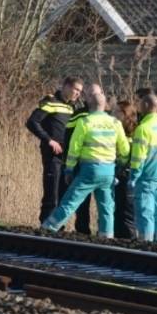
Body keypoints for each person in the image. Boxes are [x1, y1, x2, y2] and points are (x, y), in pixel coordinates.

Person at [41, 84, 129, 238]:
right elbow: (125, 150)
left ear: (89, 104)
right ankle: (106, 238)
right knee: (106, 207)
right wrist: (119, 166)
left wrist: (69, 169)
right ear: (104, 105)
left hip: (89, 170)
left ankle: (47, 229)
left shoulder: (85, 122)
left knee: (70, 202)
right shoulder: (115, 123)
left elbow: (74, 149)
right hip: (108, 171)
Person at [26, 77, 85, 227]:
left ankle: (58, 227)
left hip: (67, 156)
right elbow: (32, 122)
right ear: (65, 86)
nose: (77, 94)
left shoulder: (73, 107)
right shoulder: (51, 102)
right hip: (52, 154)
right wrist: (49, 140)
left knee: (63, 193)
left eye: (80, 91)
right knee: (52, 192)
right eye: (75, 89)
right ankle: (45, 225)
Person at [128, 93, 157, 242]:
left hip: (146, 177)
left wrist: (133, 177)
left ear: (146, 106)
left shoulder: (143, 129)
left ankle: (145, 243)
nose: (138, 106)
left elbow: (138, 157)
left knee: (145, 212)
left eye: (140, 103)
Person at [113, 99, 139, 239]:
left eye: (116, 112)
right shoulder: (117, 129)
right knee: (118, 211)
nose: (113, 114)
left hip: (128, 175)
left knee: (128, 214)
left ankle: (130, 241)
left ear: (124, 114)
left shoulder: (135, 132)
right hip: (119, 175)